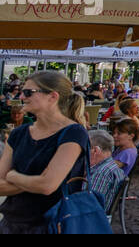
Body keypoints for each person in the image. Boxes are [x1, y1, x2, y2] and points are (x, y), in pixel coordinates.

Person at [0, 72, 91, 233]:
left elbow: (47, 185)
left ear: (52, 97)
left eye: (28, 92)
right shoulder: (18, 133)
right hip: (12, 223)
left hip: (52, 224)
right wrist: (35, 182)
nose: (22, 96)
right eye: (22, 91)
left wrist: (13, 176)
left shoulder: (74, 133)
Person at [86, 128, 125, 213]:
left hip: (91, 219)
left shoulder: (101, 172)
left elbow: (89, 205)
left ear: (95, 150)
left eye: (85, 149)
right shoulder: (110, 166)